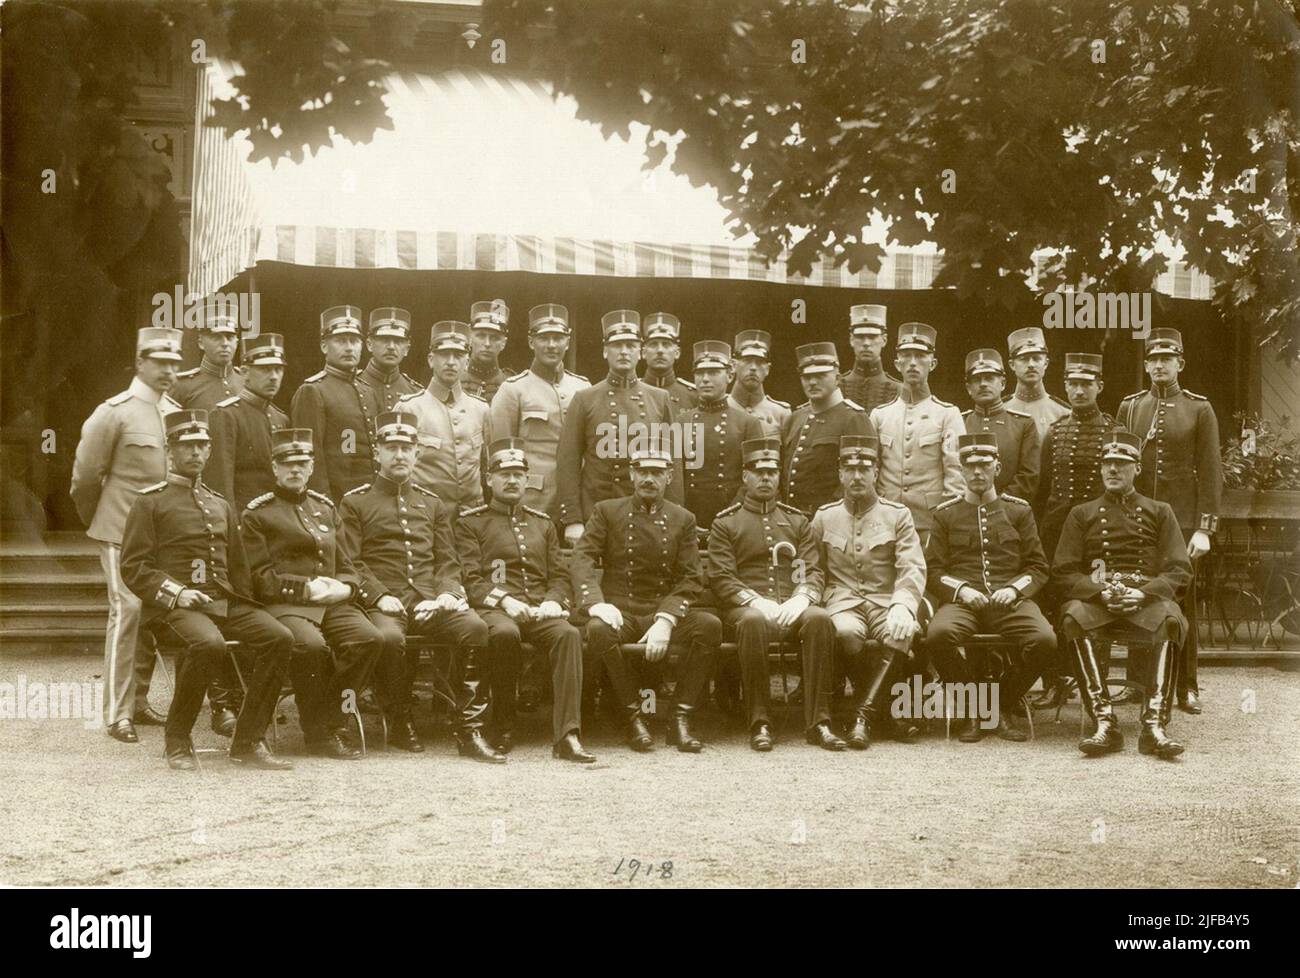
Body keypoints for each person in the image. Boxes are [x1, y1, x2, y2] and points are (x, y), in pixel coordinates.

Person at [119, 410, 294, 770]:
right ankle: (177, 739)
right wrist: (178, 594)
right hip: (172, 609)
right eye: (187, 446)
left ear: (210, 451)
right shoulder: (150, 502)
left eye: (201, 445)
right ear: (170, 451)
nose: (195, 453)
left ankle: (248, 740)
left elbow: (239, 570)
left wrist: (254, 608)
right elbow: (134, 568)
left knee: (279, 637)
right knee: (208, 643)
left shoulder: (220, 504)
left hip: (221, 604)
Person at [338, 410, 503, 762]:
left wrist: (446, 594)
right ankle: (400, 717)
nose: (399, 455)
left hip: (430, 602)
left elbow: (447, 559)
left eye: (406, 448)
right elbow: (351, 561)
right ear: (378, 453)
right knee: (389, 638)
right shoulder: (356, 502)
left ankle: (468, 728)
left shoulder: (432, 503)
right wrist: (379, 596)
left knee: (474, 627)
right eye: (391, 447)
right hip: (384, 604)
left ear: (417, 453)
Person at [239, 428, 385, 760]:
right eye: (287, 464)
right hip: (286, 603)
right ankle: (319, 731)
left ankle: (333, 719)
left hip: (331, 602)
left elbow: (347, 563)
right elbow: (259, 577)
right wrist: (306, 588)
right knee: (311, 646)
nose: (294, 470)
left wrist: (346, 586)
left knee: (369, 639)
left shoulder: (324, 508)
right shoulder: (257, 514)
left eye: (302, 464)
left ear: (312, 467)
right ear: (274, 468)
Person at [70, 326, 182, 741]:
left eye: (174, 363)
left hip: (162, 535)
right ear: (140, 362)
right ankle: (118, 714)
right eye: (160, 362)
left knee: (153, 617)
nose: (169, 370)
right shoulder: (114, 411)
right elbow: (85, 477)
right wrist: (99, 521)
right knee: (128, 611)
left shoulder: (174, 412)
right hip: (119, 528)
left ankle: (139, 701)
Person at [1052, 430, 1192, 759]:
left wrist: (1142, 594)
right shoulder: (1081, 513)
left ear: (1137, 469)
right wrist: (1101, 594)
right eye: (1107, 464)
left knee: (1170, 621)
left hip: (1144, 598)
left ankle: (1155, 726)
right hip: (1100, 599)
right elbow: (1064, 570)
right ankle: (1105, 723)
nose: (1113, 470)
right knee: (1073, 618)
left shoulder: (1160, 510)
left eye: (1122, 464)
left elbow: (1179, 569)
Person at [454, 438, 596, 763]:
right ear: (489, 479)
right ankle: (503, 724)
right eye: (504, 474)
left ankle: (567, 735)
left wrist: (554, 600)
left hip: (539, 609)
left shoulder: (542, 524)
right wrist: (503, 600)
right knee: (505, 634)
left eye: (519, 474)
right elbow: (470, 578)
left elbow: (560, 574)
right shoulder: (470, 522)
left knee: (569, 634)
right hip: (495, 610)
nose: (513, 480)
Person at [571, 448, 720, 753]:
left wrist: (666, 619)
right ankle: (632, 716)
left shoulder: (683, 518)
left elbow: (692, 576)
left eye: (656, 473)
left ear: (668, 476)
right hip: (619, 611)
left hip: (659, 611)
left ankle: (679, 717)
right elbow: (582, 557)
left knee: (710, 627)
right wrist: (596, 603)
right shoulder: (607, 511)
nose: (649, 479)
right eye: (642, 472)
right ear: (632, 475)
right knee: (598, 630)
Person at [707, 437, 839, 751]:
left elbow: (811, 569)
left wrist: (802, 598)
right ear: (745, 477)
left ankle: (819, 721)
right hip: (747, 610)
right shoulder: (727, 523)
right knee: (752, 622)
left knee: (820, 619)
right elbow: (722, 577)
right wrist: (756, 600)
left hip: (790, 606)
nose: (766, 478)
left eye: (772, 471)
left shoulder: (796, 520)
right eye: (758, 471)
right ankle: (760, 721)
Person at [1116, 327, 1222, 714]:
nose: (1160, 365)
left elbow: (1211, 472)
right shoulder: (1130, 407)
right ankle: (1135, 681)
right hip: (1138, 519)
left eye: (1167, 359)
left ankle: (1186, 686)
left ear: (1180, 363)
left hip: (1182, 522)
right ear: (1146, 365)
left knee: (1182, 603)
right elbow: (1119, 465)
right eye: (1153, 359)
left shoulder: (1199, 408)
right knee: (1135, 592)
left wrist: (1205, 529)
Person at [923, 433, 1054, 742]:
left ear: (998, 467)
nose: (977, 472)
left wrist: (1013, 590)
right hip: (962, 603)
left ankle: (1002, 704)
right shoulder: (945, 514)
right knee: (938, 635)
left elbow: (1037, 566)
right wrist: (962, 590)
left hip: (1009, 603)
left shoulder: (1018, 511)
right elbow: (934, 570)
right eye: (970, 466)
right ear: (961, 470)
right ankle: (971, 707)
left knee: (1045, 640)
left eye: (984, 465)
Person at [811, 435, 927, 748]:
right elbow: (814, 569)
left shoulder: (897, 514)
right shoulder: (824, 517)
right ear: (840, 474)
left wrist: (903, 605)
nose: (857, 476)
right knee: (846, 633)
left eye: (865, 468)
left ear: (876, 472)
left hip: (884, 600)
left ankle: (863, 715)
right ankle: (885, 714)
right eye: (849, 469)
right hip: (843, 601)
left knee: (900, 631)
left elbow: (912, 567)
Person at [1031, 353, 1116, 707]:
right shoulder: (1056, 431)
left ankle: (1096, 684)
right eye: (1073, 384)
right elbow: (1043, 486)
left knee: (1096, 600)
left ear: (1099, 386)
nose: (1079, 390)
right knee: (1053, 604)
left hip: (1096, 533)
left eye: (1086, 384)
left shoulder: (1112, 430)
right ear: (1065, 386)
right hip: (1055, 532)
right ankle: (1055, 682)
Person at [555, 309, 683, 538]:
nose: (624, 351)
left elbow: (672, 462)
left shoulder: (658, 398)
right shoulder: (585, 398)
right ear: (605, 351)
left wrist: (673, 515)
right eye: (616, 345)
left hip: (647, 511)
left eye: (631, 345)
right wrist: (572, 519)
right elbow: (568, 463)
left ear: (641, 352)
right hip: (596, 511)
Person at [488, 303, 589, 519]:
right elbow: (500, 452)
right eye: (544, 338)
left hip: (576, 501)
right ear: (531, 342)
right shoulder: (513, 390)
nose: (552, 345)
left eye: (558, 338)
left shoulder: (583, 388)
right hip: (531, 500)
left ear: (568, 342)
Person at [868, 322, 964, 540]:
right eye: (906, 355)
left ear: (933, 363)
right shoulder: (880, 415)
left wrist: (944, 523)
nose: (913, 363)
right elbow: (872, 470)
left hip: (929, 524)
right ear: (897, 363)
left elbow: (955, 475)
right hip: (885, 522)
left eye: (920, 356)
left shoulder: (948, 414)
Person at [395, 321, 490, 516]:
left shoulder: (481, 409)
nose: (451, 362)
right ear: (431, 360)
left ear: (467, 362)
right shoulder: (410, 408)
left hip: (472, 517)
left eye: (458, 355)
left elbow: (487, 468)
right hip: (424, 516)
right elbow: (395, 469)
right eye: (444, 355)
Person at [291, 304, 377, 501]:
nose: (349, 347)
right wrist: (323, 505)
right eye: (340, 340)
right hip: (338, 501)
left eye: (354, 341)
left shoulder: (368, 391)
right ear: (324, 346)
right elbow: (312, 457)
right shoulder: (313, 391)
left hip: (371, 502)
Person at [677, 340, 765, 528]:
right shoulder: (681, 422)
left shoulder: (748, 423)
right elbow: (674, 477)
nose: (705, 379)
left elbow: (754, 477)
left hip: (734, 518)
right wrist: (683, 518)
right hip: (688, 518)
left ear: (730, 376)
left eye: (714, 372)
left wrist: (729, 517)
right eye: (700, 373)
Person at [780, 341, 872, 515]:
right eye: (807, 377)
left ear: (837, 378)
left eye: (821, 375)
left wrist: (827, 517)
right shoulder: (795, 418)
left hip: (832, 520)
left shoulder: (853, 418)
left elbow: (858, 479)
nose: (812, 382)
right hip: (790, 521)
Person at [208, 333, 289, 513]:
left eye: (278, 369)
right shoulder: (226, 415)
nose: (274, 377)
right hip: (245, 520)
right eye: (265, 369)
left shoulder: (280, 418)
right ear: (245, 372)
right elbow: (220, 482)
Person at [961, 348, 1040, 500]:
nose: (983, 384)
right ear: (969, 388)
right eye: (977, 380)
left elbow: (1029, 477)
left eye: (990, 378)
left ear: (1002, 383)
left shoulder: (1023, 424)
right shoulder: (959, 422)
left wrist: (999, 504)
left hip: (1009, 511)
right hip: (965, 511)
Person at [172, 300, 243, 410]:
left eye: (229, 337)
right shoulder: (182, 386)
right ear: (201, 343)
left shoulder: (247, 383)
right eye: (216, 337)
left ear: (237, 342)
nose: (225, 343)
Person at [1004, 326, 1070, 439]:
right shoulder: (1001, 411)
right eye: (1024, 359)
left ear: (1046, 363)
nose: (1031, 365)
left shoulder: (1063, 413)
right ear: (1012, 365)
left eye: (1036, 358)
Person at [838, 303, 902, 414]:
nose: (866, 343)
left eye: (872, 337)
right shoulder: (836, 387)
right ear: (851, 340)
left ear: (884, 340)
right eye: (860, 337)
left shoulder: (899, 390)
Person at [356, 307, 421, 411]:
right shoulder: (353, 386)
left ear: (407, 349)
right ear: (369, 344)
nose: (391, 346)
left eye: (398, 341)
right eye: (384, 339)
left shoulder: (416, 393)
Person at [727, 329, 790, 436]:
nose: (753, 368)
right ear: (733, 365)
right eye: (747, 361)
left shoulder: (780, 413)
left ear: (767, 369)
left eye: (760, 362)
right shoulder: (719, 407)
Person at [640, 311, 697, 412]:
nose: (660, 350)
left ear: (677, 353)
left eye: (666, 345)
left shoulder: (693, 396)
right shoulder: (629, 392)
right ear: (643, 352)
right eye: (653, 345)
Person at [462, 299, 512, 402]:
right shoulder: (454, 381)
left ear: (503, 343)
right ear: (469, 338)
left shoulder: (511, 385)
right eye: (481, 336)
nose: (487, 344)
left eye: (494, 338)